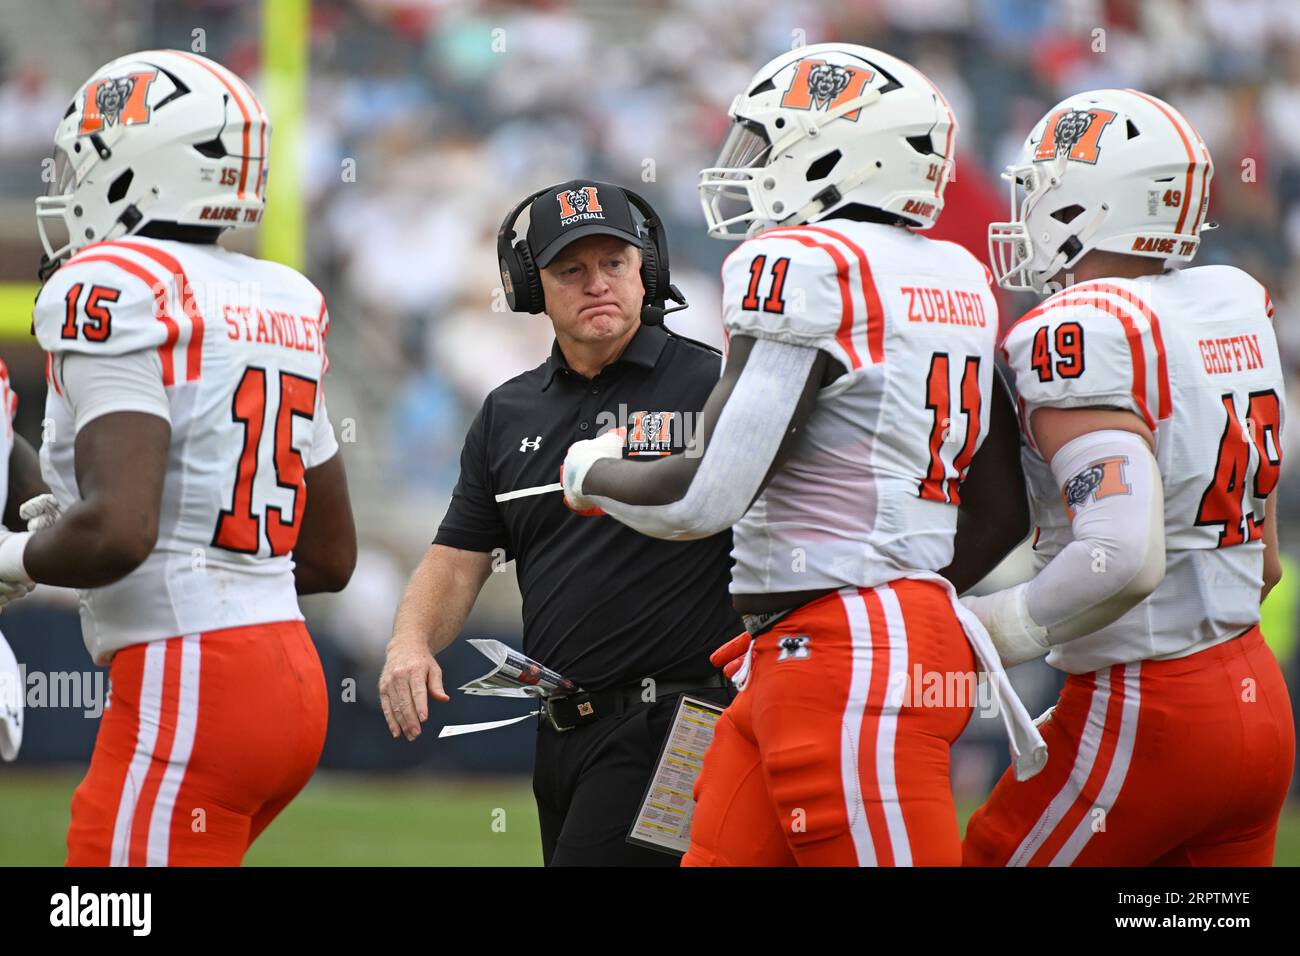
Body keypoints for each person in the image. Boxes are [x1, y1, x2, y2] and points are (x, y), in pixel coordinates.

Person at [560, 44, 1045, 867]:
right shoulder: (957, 275)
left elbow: (703, 497)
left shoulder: (809, 264)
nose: (747, 169)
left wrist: (587, 472)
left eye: (766, 143)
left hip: (846, 659)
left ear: (838, 151)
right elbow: (999, 509)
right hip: (831, 646)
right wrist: (897, 600)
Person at [1, 49, 356, 865]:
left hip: (193, 684)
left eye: (80, 160)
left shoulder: (114, 283)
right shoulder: (284, 295)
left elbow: (119, 532)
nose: (67, 182)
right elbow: (331, 556)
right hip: (290, 677)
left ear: (133, 168)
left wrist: (14, 557)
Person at [964, 88, 1295, 866]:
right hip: (1257, 701)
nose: (1026, 211)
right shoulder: (1232, 300)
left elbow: (1122, 556)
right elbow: (1268, 563)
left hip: (1149, 706)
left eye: (1041, 191)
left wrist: (977, 633)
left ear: (1090, 204)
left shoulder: (1081, 327)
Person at [379, 180, 742, 866]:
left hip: (683, 719)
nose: (597, 283)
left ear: (647, 273)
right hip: (562, 730)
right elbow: (458, 557)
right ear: (528, 287)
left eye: (615, 263)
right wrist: (409, 642)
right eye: (571, 270)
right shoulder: (505, 413)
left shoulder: (713, 386)